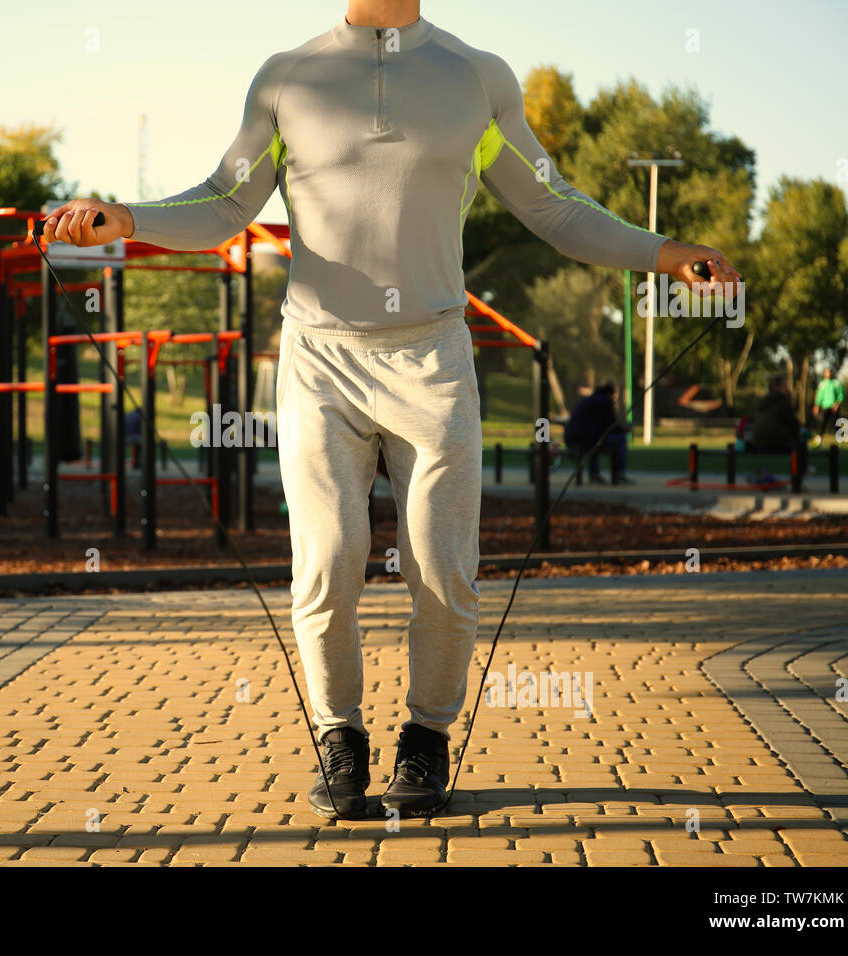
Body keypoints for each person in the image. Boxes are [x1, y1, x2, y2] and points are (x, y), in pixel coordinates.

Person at [42, 0, 742, 818]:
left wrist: (665, 254)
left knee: (441, 569)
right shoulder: (287, 78)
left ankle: (427, 738)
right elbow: (225, 205)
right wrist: (128, 220)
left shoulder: (478, 80)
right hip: (319, 357)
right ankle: (339, 737)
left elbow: (554, 207)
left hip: (433, 358)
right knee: (330, 558)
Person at [564, 384, 632, 484]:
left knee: (595, 438)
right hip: (586, 440)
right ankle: (619, 473)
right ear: (609, 394)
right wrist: (625, 429)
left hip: (571, 439)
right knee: (621, 439)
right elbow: (611, 425)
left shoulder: (585, 400)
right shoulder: (605, 402)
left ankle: (594, 473)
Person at [750, 376, 804, 454]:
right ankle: (801, 465)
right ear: (776, 387)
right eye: (785, 386)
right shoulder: (782, 402)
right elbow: (794, 425)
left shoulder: (762, 402)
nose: (788, 389)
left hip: (758, 442)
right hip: (778, 442)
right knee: (801, 440)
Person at [811, 367, 844, 447]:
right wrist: (816, 405)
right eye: (827, 372)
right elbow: (819, 396)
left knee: (837, 422)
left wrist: (837, 404)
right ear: (824, 374)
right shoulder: (822, 384)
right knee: (821, 423)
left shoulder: (836, 383)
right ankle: (819, 439)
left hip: (834, 407)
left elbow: (840, 394)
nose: (828, 374)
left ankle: (840, 440)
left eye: (830, 372)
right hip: (824, 407)